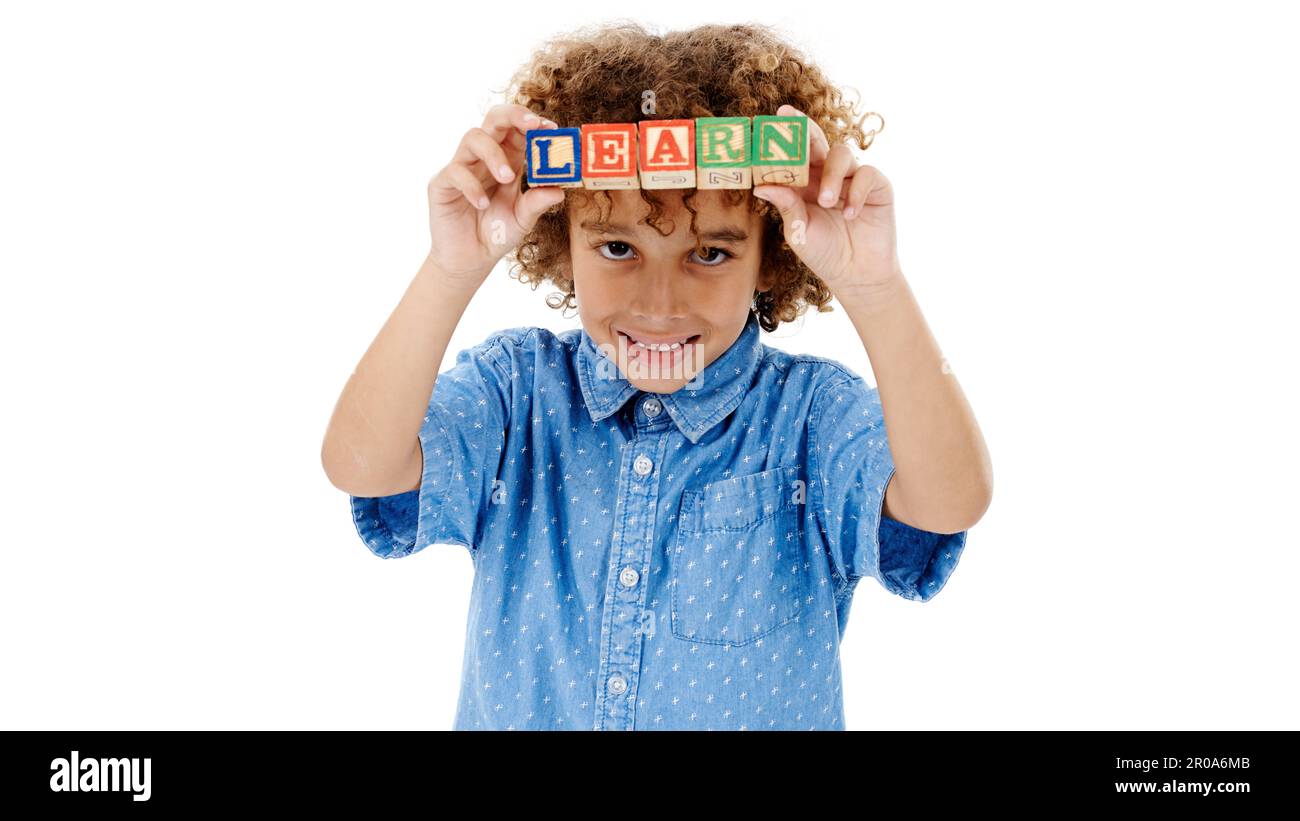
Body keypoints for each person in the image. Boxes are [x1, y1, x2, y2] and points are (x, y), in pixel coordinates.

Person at [321, 21, 992, 730]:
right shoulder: (518, 390)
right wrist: (450, 268)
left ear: (771, 254)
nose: (660, 304)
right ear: (562, 241)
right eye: (618, 246)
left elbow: (948, 502)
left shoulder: (810, 417)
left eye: (708, 254)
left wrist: (877, 289)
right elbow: (362, 463)